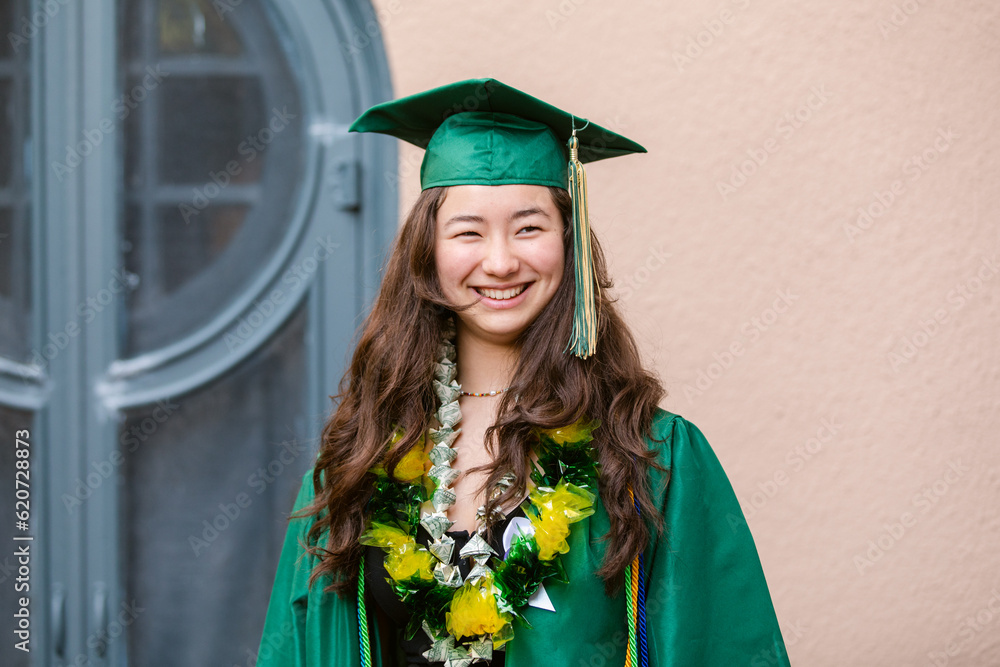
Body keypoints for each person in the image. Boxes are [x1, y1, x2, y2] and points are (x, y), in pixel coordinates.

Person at [256, 78, 791, 667]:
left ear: (569, 241)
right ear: (426, 252)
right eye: (467, 232)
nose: (502, 260)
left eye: (529, 227)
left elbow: (722, 646)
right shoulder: (364, 455)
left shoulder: (652, 457)